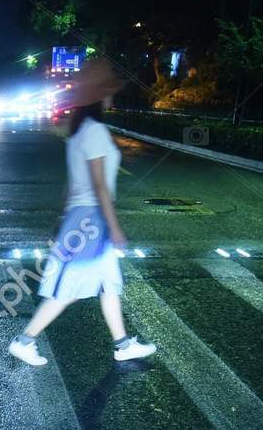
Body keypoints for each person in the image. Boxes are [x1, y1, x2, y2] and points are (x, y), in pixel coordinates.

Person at [9, 58, 156, 367]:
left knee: (108, 282)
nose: (111, 95)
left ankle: (123, 344)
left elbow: (71, 184)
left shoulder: (78, 133)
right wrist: (114, 227)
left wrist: (62, 218)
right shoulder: (95, 132)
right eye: (108, 90)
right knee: (68, 289)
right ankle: (25, 340)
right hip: (91, 220)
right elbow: (99, 186)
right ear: (99, 95)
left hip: (81, 217)